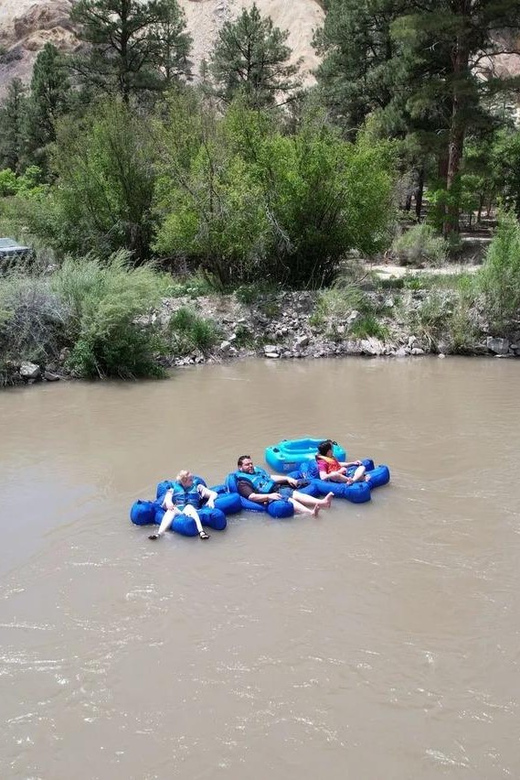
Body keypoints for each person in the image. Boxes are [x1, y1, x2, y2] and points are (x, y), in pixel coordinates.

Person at [235, 455, 334, 517]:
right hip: (267, 496)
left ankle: (322, 502)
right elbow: (252, 496)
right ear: (240, 467)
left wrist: (287, 478)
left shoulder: (256, 472)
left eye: (251, 463)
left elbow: (269, 477)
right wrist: (268, 496)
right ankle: (310, 513)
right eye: (247, 465)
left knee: (295, 494)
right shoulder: (243, 482)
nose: (251, 466)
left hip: (275, 489)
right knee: (289, 499)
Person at [149, 470, 218, 540]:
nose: (192, 481)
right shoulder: (173, 488)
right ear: (183, 481)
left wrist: (211, 500)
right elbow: (167, 498)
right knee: (170, 511)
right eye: (190, 480)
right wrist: (169, 502)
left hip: (191, 510)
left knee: (189, 507)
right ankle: (158, 534)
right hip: (179, 509)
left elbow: (214, 494)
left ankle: (202, 532)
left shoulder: (198, 487)